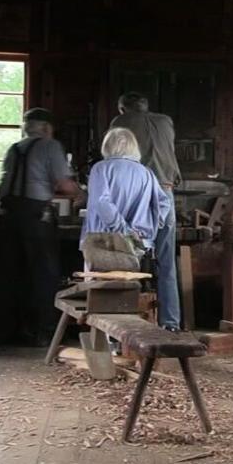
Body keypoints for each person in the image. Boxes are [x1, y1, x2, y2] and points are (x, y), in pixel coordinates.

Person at [0, 108, 81, 346]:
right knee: (44, 274)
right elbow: (64, 184)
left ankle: (7, 331)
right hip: (35, 216)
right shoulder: (50, 146)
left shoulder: (14, 149)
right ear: (47, 128)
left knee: (11, 273)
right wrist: (84, 194)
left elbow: (3, 185)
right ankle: (44, 332)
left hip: (7, 216)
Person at [110, 92, 182, 330]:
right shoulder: (165, 121)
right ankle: (170, 323)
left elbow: (113, 159)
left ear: (123, 109)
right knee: (166, 261)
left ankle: (125, 322)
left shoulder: (121, 123)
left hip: (138, 190)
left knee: (128, 257)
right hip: (166, 191)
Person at [80, 127, 170, 274]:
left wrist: (124, 231)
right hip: (139, 243)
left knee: (100, 291)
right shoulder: (146, 173)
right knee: (131, 291)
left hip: (103, 242)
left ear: (107, 146)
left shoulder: (100, 169)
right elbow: (164, 203)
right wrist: (149, 227)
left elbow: (102, 203)